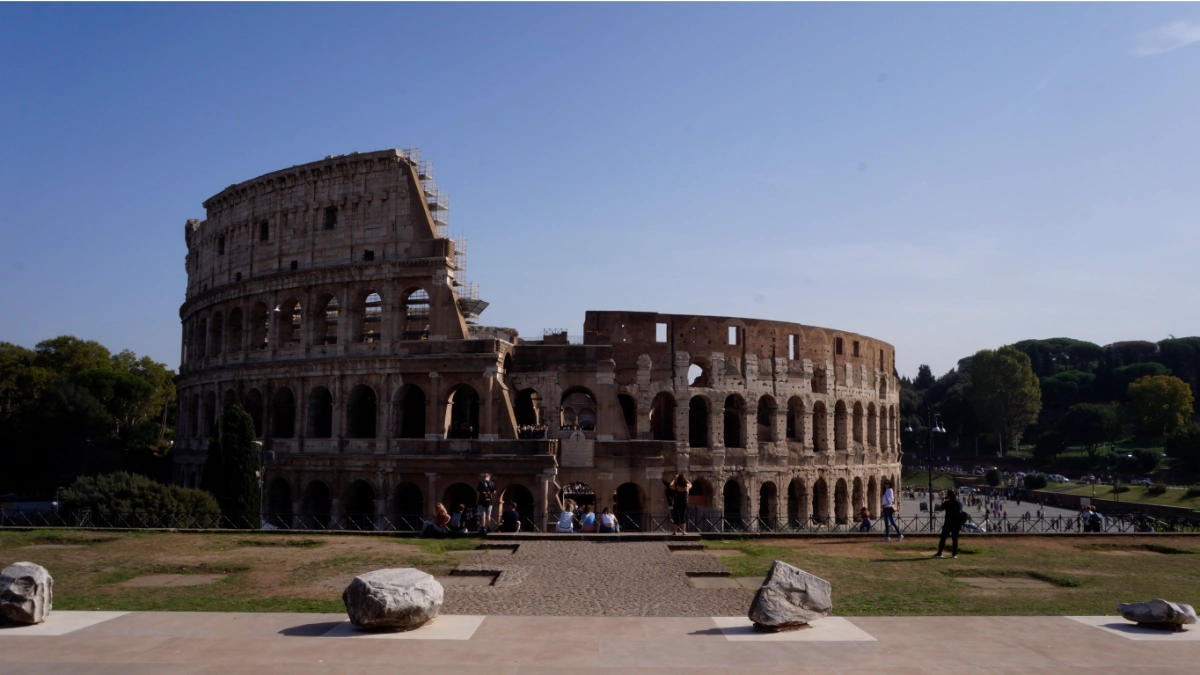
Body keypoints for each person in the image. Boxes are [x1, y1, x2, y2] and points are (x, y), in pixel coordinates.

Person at [933, 489, 964, 558]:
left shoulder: (947, 503)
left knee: (943, 538)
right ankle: (954, 554)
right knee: (955, 538)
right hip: (957, 523)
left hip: (948, 522)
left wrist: (942, 500)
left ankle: (939, 553)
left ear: (949, 496)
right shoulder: (959, 503)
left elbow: (941, 509)